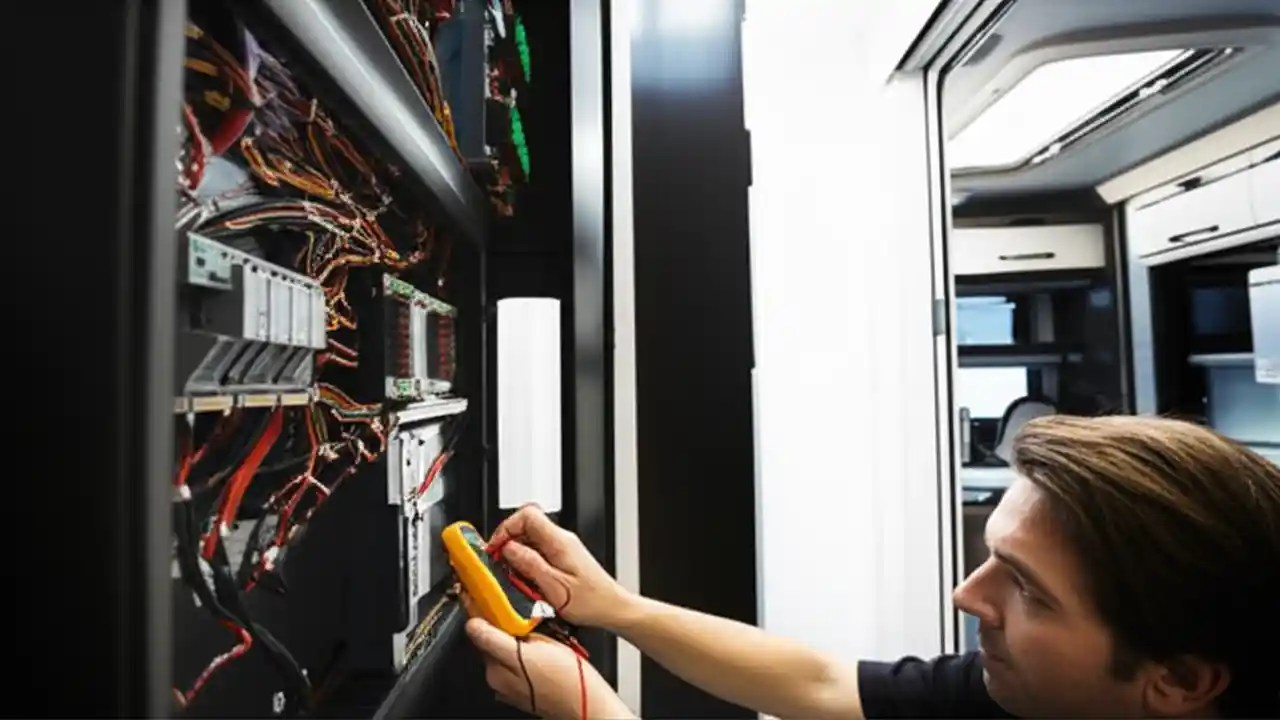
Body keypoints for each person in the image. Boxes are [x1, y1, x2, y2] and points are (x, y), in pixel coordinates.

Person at [462, 415, 1280, 718]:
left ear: (1180, 680)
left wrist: (591, 713)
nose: (967, 595)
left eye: (1028, 590)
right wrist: (615, 607)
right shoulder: (1033, 695)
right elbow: (824, 685)